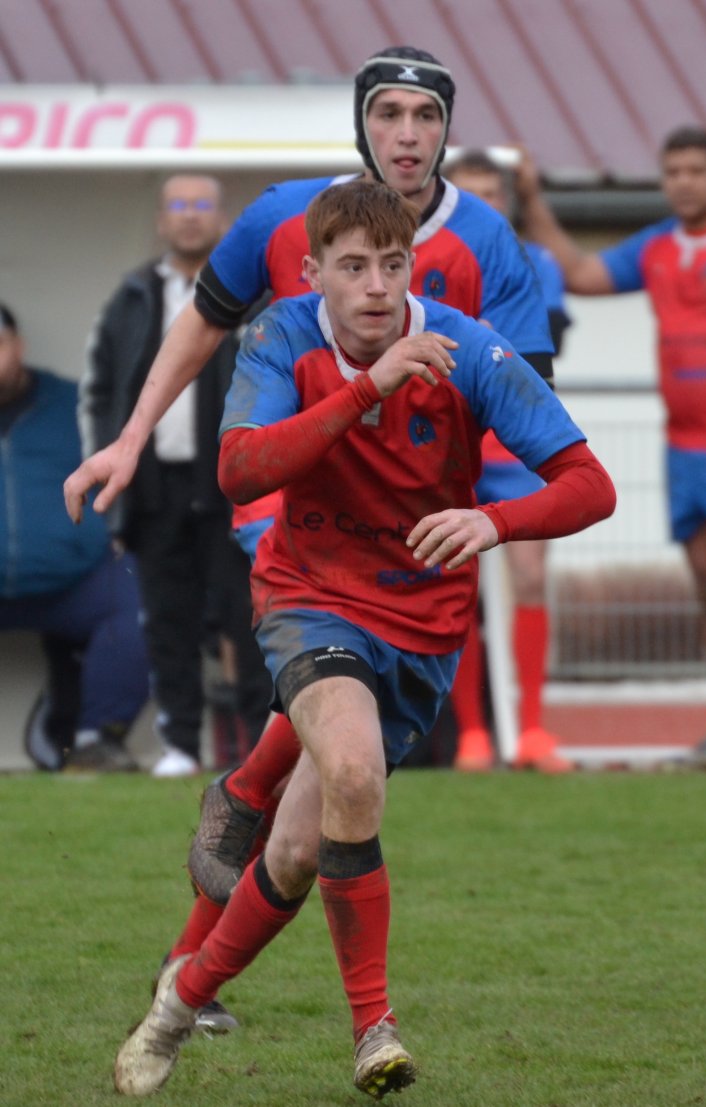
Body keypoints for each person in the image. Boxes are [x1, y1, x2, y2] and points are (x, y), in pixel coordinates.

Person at [66, 46, 559, 993]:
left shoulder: (488, 241)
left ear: (448, 127)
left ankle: (200, 939)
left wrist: (490, 517)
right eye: (388, 115)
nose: (406, 136)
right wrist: (131, 437)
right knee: (322, 745)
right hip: (292, 515)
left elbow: (522, 395)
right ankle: (219, 973)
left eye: (424, 116)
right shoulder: (284, 214)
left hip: (407, 545)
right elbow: (203, 323)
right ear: (360, 122)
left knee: (299, 796)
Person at [113, 178, 615, 1099]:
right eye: (352, 268)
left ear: (412, 266)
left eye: (391, 265)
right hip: (311, 595)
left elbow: (591, 483)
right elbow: (240, 469)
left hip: (422, 625)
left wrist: (492, 524)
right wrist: (363, 393)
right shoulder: (283, 336)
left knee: (299, 849)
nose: (376, 286)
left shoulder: (468, 349)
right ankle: (372, 1028)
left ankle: (178, 1002)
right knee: (351, 771)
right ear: (312, 275)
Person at [516, 126, 706, 772]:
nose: (684, 182)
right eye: (673, 171)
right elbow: (580, 274)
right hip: (687, 446)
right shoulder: (658, 246)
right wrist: (532, 201)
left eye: (695, 170)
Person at [82, 174, 271, 778]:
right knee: (168, 619)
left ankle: (261, 752)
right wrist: (112, 492)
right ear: (161, 220)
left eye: (203, 205)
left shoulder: (251, 294)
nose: (190, 217)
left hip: (233, 485)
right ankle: (181, 746)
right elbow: (102, 393)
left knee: (250, 618)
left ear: (222, 220)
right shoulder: (134, 295)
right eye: (178, 206)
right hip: (156, 487)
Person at [443, 148, 573, 772]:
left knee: (528, 577)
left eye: (491, 194)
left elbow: (551, 340)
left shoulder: (534, 261)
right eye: (467, 194)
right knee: (458, 583)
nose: (480, 206)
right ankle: (473, 735)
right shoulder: (424, 258)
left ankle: (533, 730)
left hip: (516, 445)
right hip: (449, 445)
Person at [0, 303, 149, 772]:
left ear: (17, 347)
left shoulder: (77, 404)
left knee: (143, 599)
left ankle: (94, 743)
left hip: (74, 582)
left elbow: (131, 470)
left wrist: (126, 527)